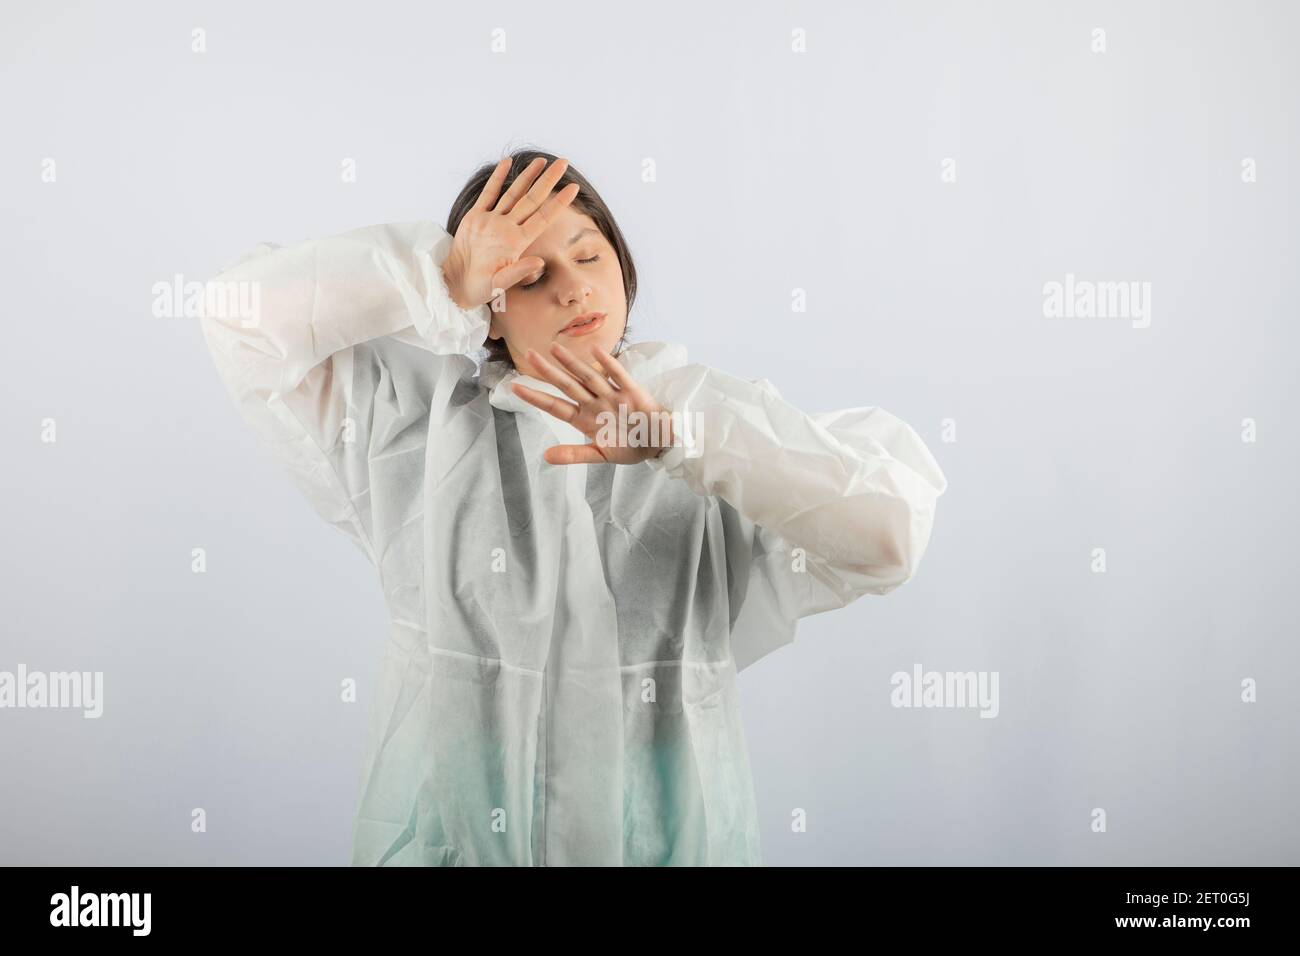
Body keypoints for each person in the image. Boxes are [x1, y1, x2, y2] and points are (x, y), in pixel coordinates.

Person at [198, 149, 948, 866]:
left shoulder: (716, 431)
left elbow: (891, 530)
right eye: (528, 275)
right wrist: (440, 277)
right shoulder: (413, 431)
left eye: (589, 257)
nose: (571, 288)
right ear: (485, 312)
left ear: (623, 268)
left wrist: (681, 444)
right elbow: (237, 317)